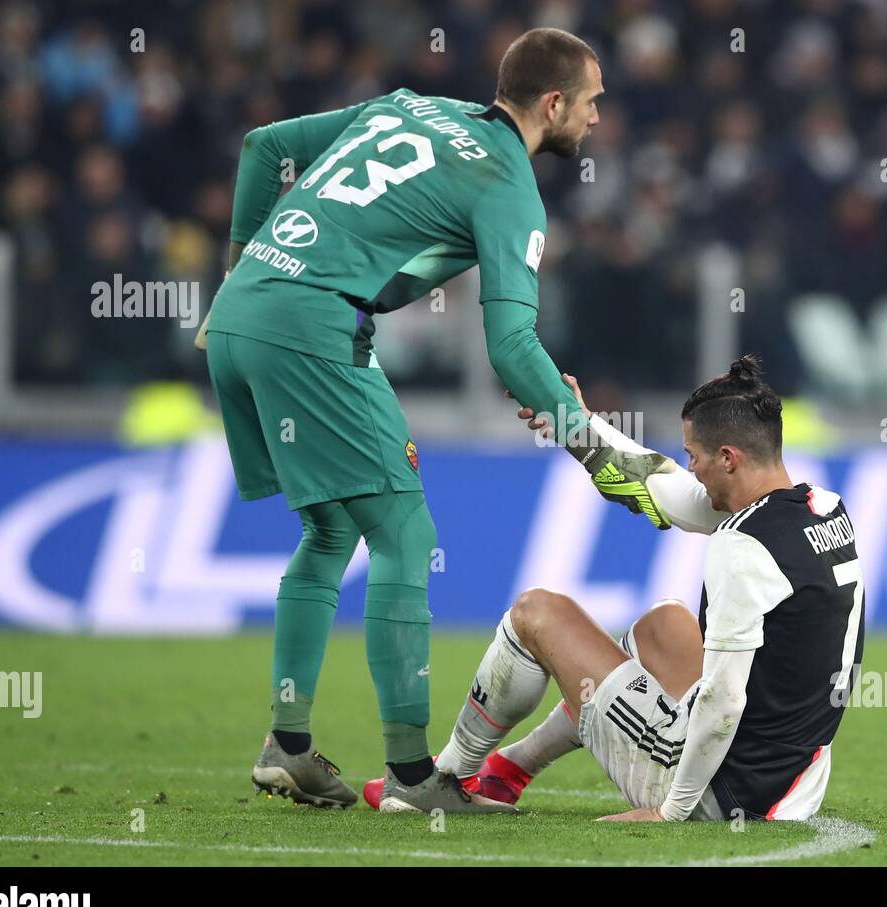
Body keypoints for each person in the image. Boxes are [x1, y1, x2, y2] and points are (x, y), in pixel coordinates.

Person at [198, 28, 669, 814]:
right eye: (590, 104)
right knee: (406, 536)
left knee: (330, 532)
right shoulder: (509, 186)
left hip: (243, 313)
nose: (595, 121)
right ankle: (418, 780)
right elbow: (512, 347)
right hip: (314, 325)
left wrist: (238, 269)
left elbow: (262, 146)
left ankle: (287, 743)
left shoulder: (407, 108)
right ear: (552, 103)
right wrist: (594, 450)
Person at [367, 357, 866, 821]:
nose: (689, 467)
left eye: (694, 455)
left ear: (729, 458)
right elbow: (659, 483)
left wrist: (673, 811)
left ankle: (441, 778)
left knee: (535, 613)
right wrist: (577, 424)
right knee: (665, 625)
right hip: (793, 783)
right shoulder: (824, 507)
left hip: (724, 793)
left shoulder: (742, 547)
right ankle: (512, 768)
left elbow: (724, 701)